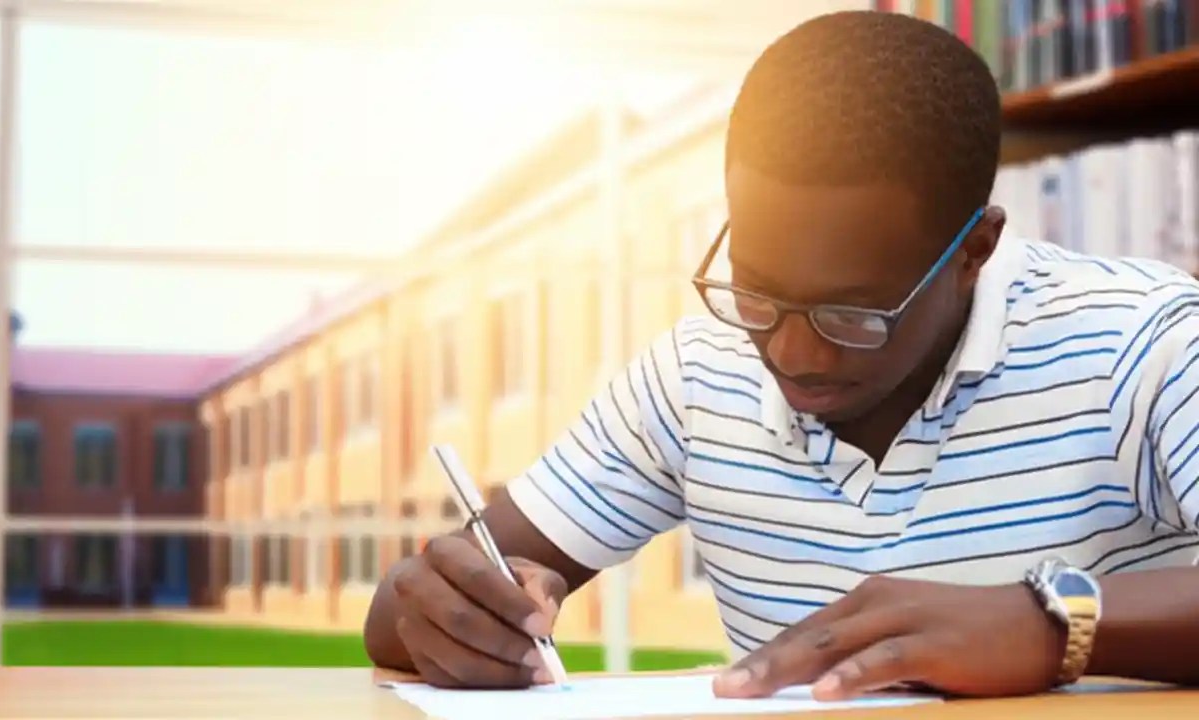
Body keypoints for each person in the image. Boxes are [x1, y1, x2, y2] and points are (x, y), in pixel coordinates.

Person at [363, 10, 1199, 700]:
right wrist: (448, 610)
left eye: (853, 312)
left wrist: (1052, 624)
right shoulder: (695, 376)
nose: (792, 354)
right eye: (757, 291)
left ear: (974, 250)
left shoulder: (1143, 339)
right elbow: (399, 619)